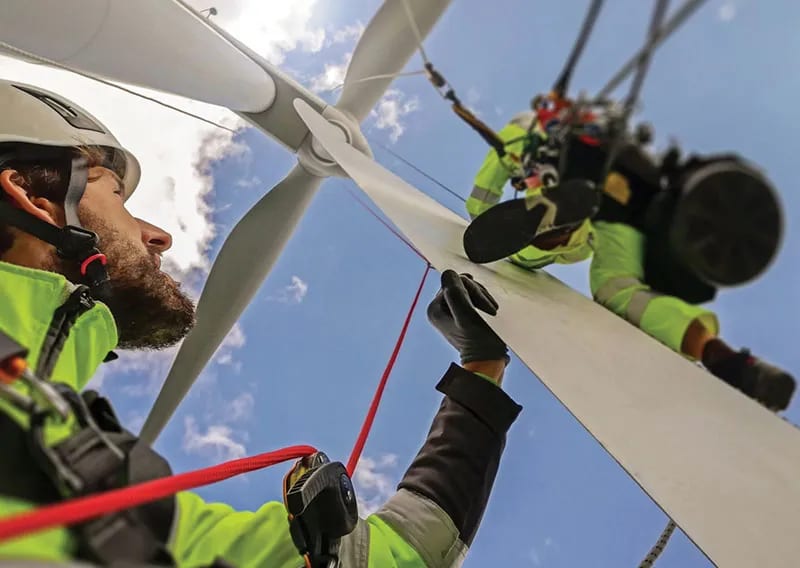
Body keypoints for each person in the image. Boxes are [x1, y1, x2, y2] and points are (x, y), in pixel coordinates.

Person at [0, 79, 521, 567]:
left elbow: (393, 554)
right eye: (114, 194)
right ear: (32, 197)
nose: (158, 236)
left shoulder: (81, 478)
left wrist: (481, 369)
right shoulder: (68, 469)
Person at [464, 103, 796, 412]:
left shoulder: (530, 127)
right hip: (627, 198)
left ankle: (555, 230)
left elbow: (482, 203)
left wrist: (481, 209)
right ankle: (723, 357)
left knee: (524, 253)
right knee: (620, 291)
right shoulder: (605, 130)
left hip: (573, 183)